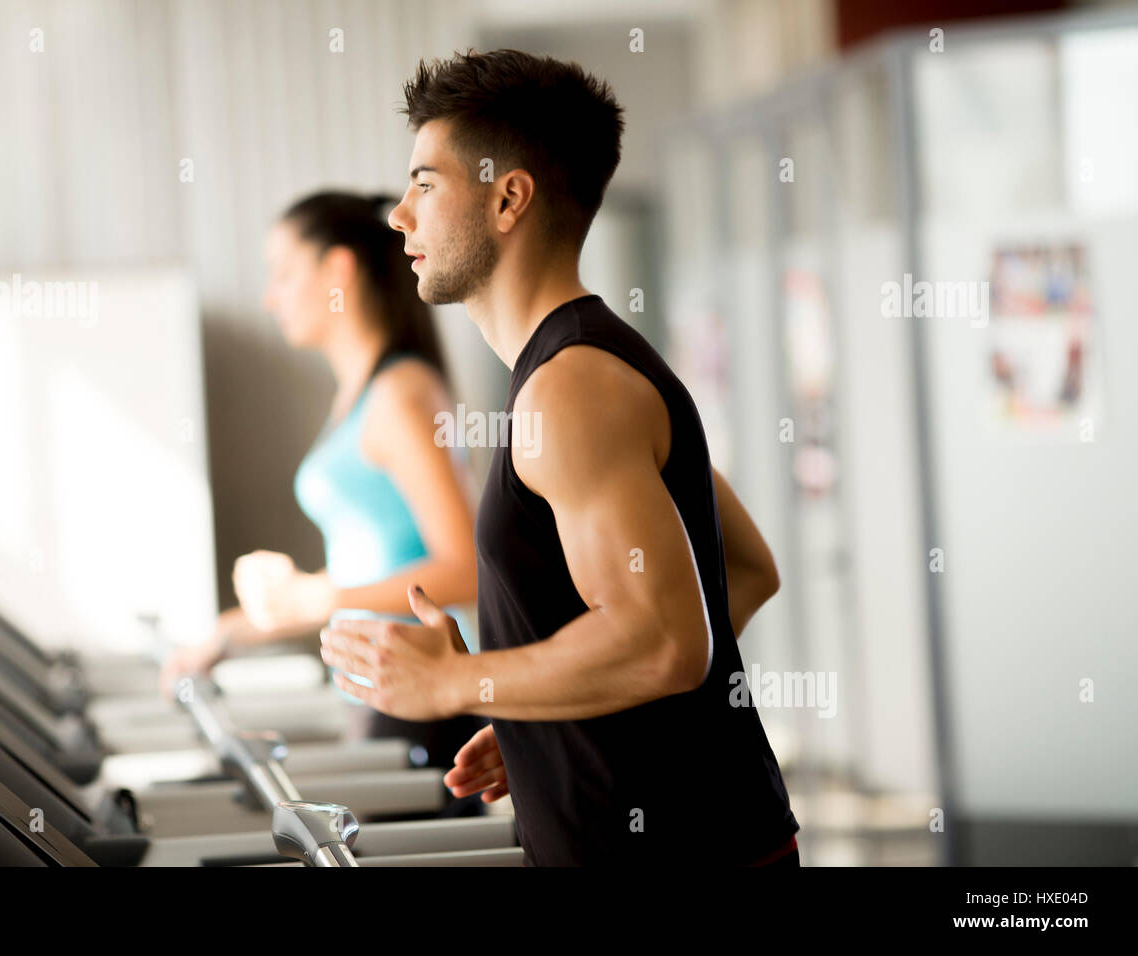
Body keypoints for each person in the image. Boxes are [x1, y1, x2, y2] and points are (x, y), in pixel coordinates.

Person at [319, 50, 801, 863]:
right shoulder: (577, 368)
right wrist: (555, 711)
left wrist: (453, 683)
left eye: (425, 185)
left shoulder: (571, 389)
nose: (400, 215)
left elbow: (665, 642)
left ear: (507, 198)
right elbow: (746, 570)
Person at [161, 190, 487, 816]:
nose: (269, 295)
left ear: (338, 271)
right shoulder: (361, 392)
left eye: (283, 273)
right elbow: (377, 563)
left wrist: (317, 598)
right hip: (381, 691)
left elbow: (466, 567)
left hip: (421, 702)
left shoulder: (399, 393)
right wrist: (241, 626)